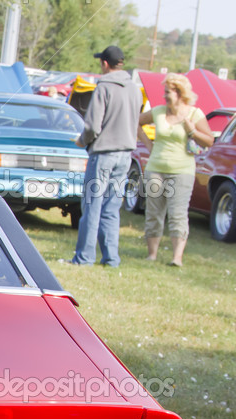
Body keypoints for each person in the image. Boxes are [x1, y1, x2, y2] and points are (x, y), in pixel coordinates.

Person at [70, 46, 142, 267]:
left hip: (103, 154)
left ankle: (84, 257)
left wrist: (82, 140)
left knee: (92, 205)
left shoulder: (104, 87)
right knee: (111, 208)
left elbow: (92, 126)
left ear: (105, 63)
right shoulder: (135, 89)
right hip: (125, 154)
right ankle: (111, 258)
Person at [138, 73, 213, 267]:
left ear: (180, 94)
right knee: (154, 212)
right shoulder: (158, 112)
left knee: (177, 213)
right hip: (155, 168)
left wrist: (192, 131)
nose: (164, 96)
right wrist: (148, 145)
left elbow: (209, 140)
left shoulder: (194, 114)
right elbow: (136, 122)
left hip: (182, 170)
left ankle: (176, 257)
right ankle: (152, 254)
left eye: (168, 92)